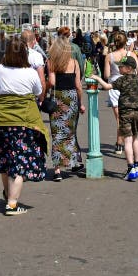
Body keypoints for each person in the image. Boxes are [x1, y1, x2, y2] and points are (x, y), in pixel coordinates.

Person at [0, 37, 48, 215]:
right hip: (22, 122)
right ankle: (12, 204)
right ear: (24, 54)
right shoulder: (30, 72)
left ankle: (8, 194)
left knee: (4, 161)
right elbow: (38, 92)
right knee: (19, 163)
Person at [92, 56, 138, 181]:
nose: (119, 68)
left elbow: (106, 86)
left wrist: (97, 78)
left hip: (125, 112)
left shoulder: (121, 80)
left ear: (128, 68)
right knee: (135, 139)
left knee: (127, 141)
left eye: (121, 66)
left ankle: (130, 168)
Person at [45, 37, 86, 181]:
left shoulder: (51, 62)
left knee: (57, 135)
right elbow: (79, 86)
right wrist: (80, 102)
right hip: (72, 99)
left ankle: (57, 171)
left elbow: (52, 82)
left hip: (58, 99)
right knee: (70, 132)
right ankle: (72, 162)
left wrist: (44, 91)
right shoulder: (74, 63)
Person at [103, 32, 138, 156]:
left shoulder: (109, 56)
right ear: (126, 43)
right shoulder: (131, 55)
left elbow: (106, 75)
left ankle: (120, 143)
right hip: (130, 85)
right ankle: (121, 142)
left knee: (119, 117)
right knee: (124, 116)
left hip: (115, 86)